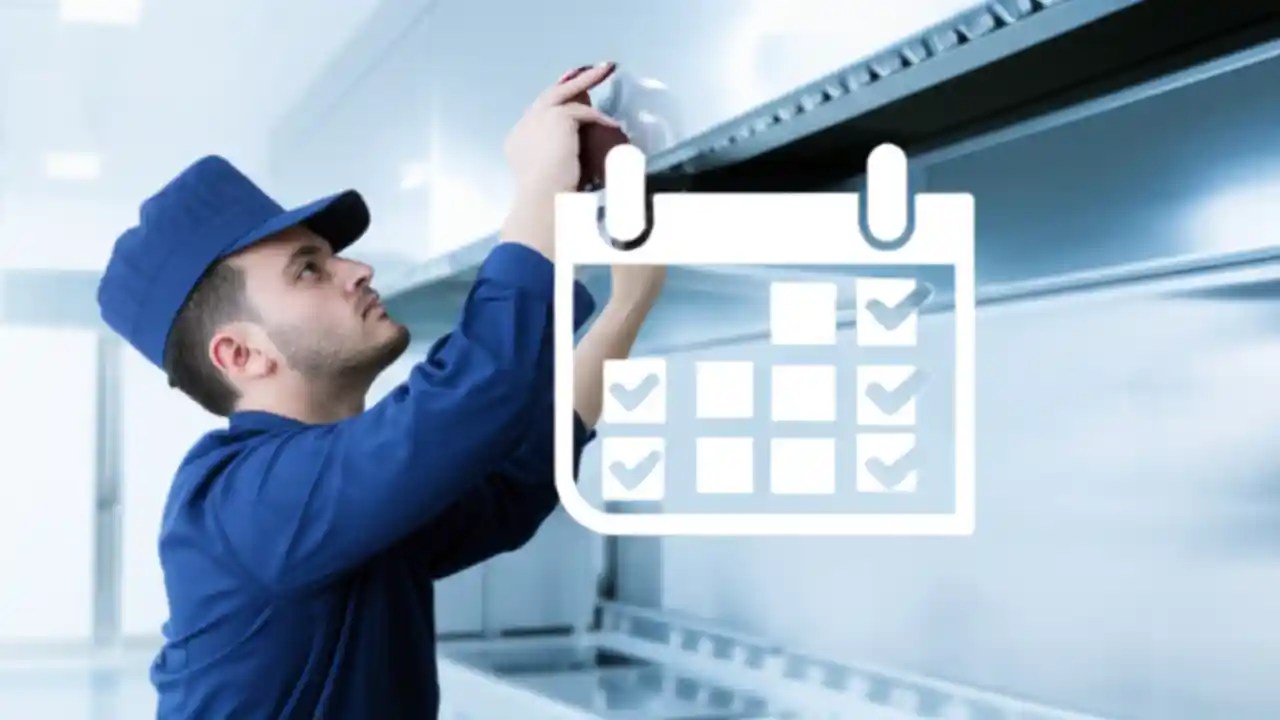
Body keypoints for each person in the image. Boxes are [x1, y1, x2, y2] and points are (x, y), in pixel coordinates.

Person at [95, 62, 665, 718]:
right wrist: (538, 187)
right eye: (309, 270)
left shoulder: (341, 513)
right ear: (241, 354)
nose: (358, 269)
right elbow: (480, 392)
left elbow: (511, 485)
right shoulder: (243, 502)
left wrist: (627, 307)